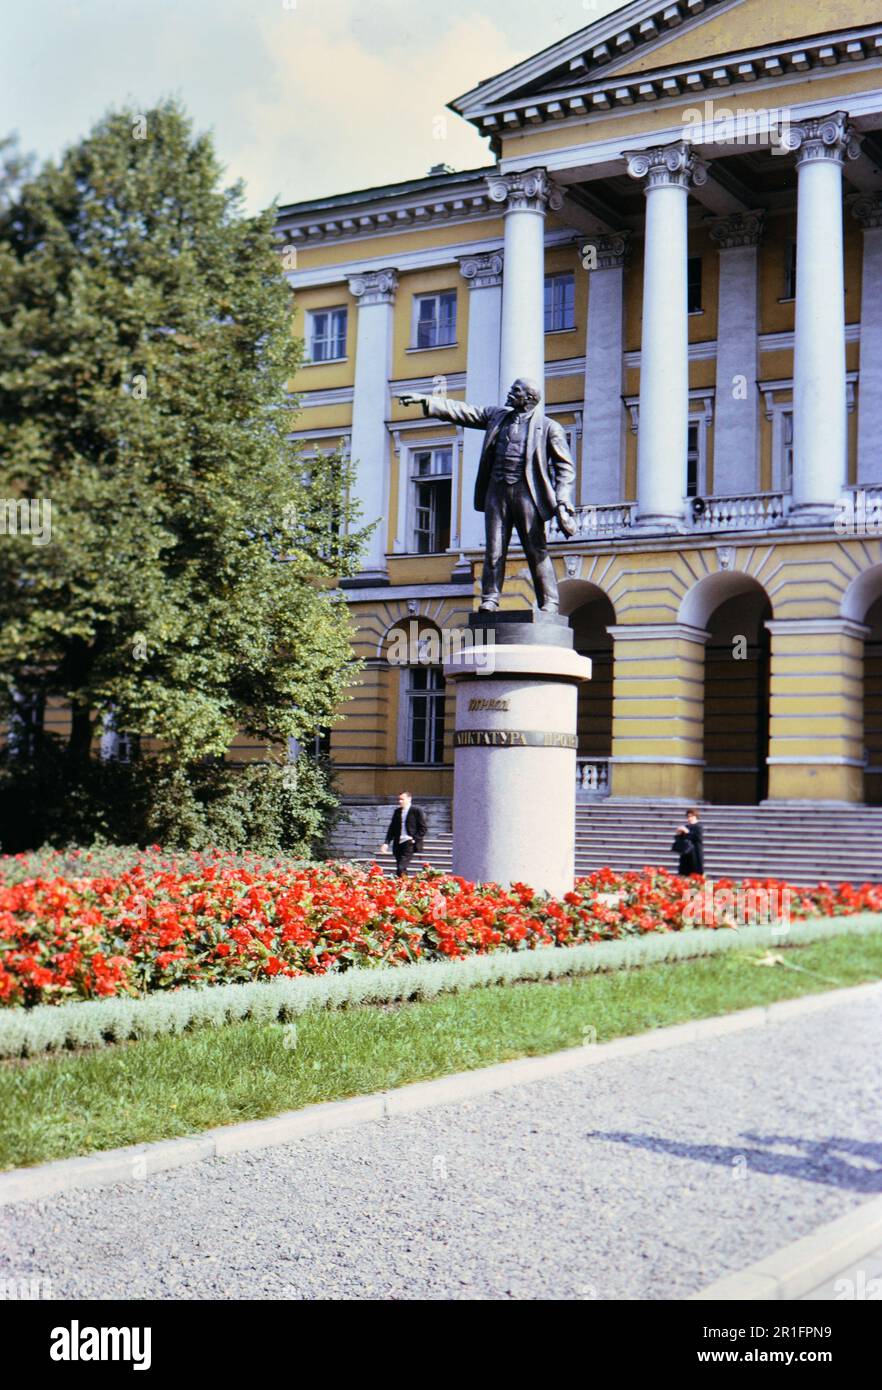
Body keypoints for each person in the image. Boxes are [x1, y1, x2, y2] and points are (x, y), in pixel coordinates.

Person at [397, 378, 576, 613]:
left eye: (516, 391)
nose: (510, 393)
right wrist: (429, 402)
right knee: (494, 549)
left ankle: (549, 601)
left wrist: (563, 503)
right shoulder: (497, 416)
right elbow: (464, 412)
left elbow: (565, 468)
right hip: (497, 491)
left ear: (529, 398)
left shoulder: (550, 428)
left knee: (535, 549)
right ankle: (490, 598)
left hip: (527, 493)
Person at [380, 791, 427, 877]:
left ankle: (402, 884)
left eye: (402, 799)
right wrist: (386, 843)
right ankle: (404, 885)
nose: (400, 801)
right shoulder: (397, 812)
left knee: (401, 867)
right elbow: (392, 828)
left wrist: (414, 839)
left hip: (409, 843)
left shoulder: (416, 810)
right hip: (398, 843)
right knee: (400, 868)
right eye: (399, 799)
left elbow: (423, 828)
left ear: (409, 799)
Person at [672, 808, 704, 876]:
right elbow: (679, 840)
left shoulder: (699, 827)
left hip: (695, 854)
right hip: (686, 854)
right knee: (684, 873)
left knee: (696, 873)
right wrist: (679, 833)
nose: (689, 818)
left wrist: (687, 832)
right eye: (688, 816)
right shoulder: (686, 826)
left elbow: (697, 838)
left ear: (696, 817)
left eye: (691, 816)